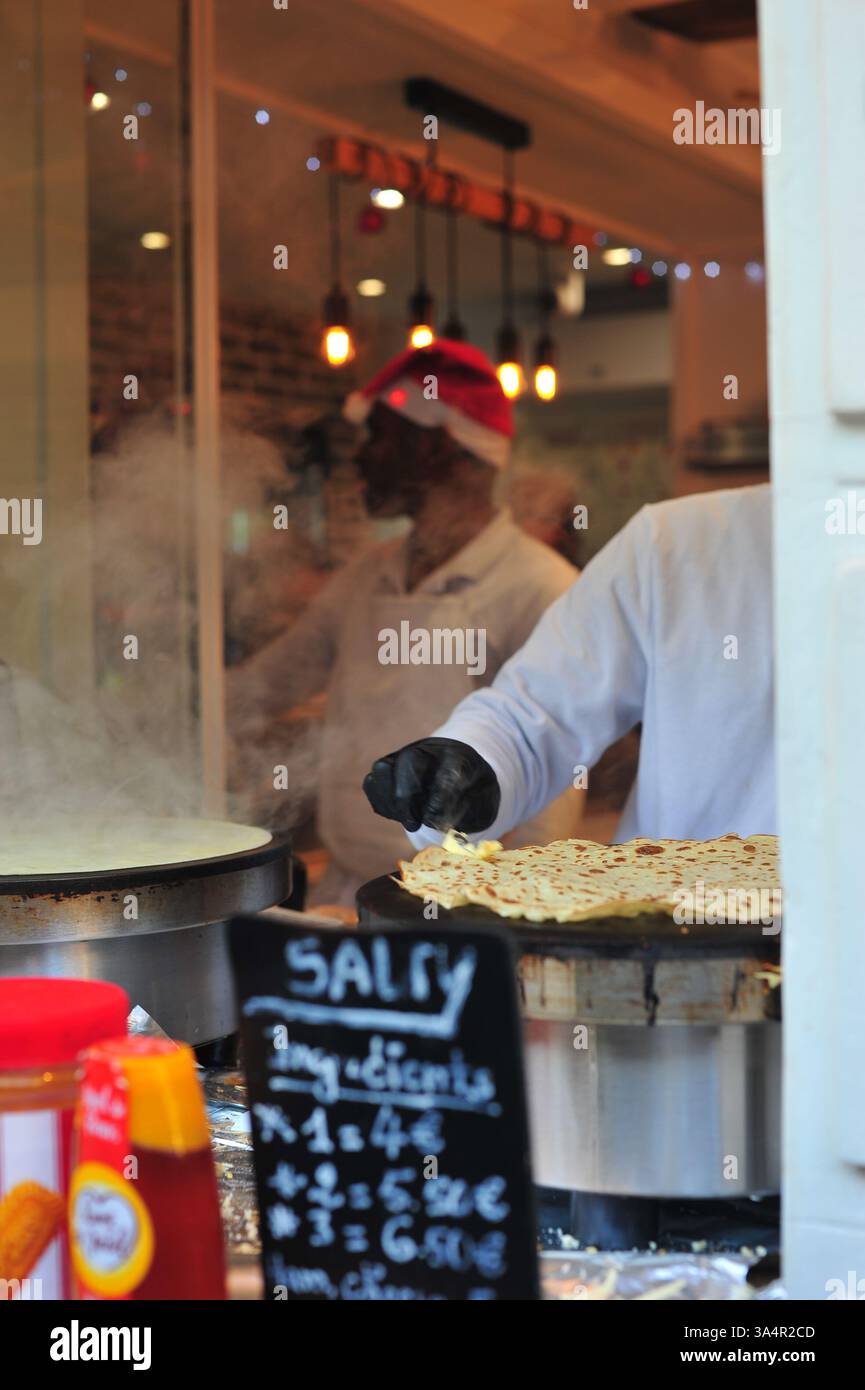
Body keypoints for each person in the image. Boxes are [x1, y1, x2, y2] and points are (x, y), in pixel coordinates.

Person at [227, 340, 581, 905]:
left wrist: (521, 912)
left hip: (470, 905)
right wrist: (174, 708)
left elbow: (555, 772)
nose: (362, 457)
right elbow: (271, 681)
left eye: (381, 437)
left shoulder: (540, 587)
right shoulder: (366, 576)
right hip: (347, 894)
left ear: (437, 447)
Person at [363, 482, 775, 847]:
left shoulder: (542, 576)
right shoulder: (677, 544)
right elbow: (531, 720)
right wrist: (467, 762)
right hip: (664, 919)